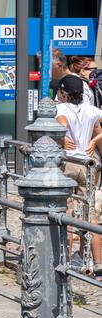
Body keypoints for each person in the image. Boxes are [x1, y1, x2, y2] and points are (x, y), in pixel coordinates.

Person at [55, 74, 102, 268]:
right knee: (89, 214)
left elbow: (62, 122)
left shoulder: (60, 107)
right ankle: (95, 263)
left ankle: (65, 261)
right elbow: (99, 131)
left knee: (66, 212)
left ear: (62, 93)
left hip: (68, 163)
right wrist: (93, 142)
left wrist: (62, 136)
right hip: (87, 166)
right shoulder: (92, 111)